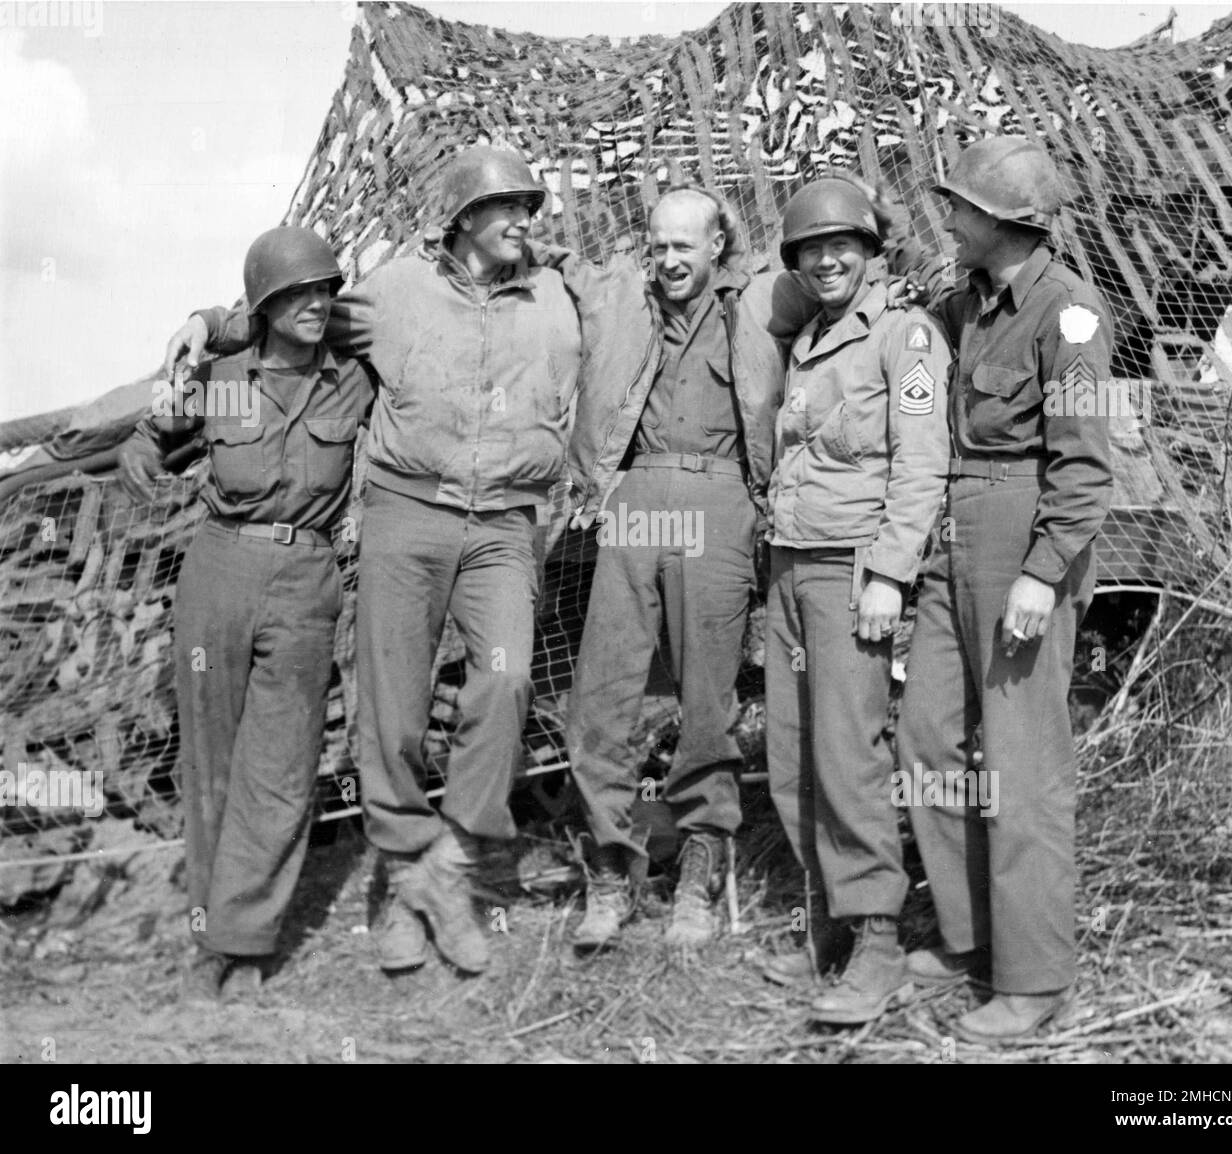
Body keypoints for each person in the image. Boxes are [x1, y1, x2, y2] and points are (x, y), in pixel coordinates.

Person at [162, 147, 587, 977]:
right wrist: (206, 321)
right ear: (461, 218)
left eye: (529, 208)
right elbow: (287, 316)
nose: (523, 222)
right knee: (390, 710)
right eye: (505, 207)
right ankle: (399, 875)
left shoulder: (559, 296)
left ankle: (449, 870)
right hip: (406, 514)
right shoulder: (393, 292)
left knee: (504, 681)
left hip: (503, 524)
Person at [895, 136, 1113, 1042]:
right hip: (956, 529)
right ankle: (970, 934)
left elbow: (1087, 466)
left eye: (961, 206)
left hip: (1025, 534)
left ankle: (1032, 976)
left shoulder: (1070, 317)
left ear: (1004, 221)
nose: (947, 216)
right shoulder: (967, 306)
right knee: (925, 736)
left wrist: (1040, 573)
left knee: (1021, 764)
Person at [120, 226, 374, 1000]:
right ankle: (209, 936)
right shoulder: (224, 378)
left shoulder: (353, 377)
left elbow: (381, 318)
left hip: (305, 574)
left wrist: (211, 315)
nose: (316, 303)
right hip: (219, 568)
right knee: (211, 756)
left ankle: (246, 939)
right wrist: (145, 462)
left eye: (324, 289)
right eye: (296, 293)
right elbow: (151, 439)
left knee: (284, 761)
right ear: (264, 304)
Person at [559, 185, 788, 950]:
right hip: (638, 493)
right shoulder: (626, 292)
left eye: (682, 247)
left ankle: (699, 868)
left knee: (707, 701)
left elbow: (858, 261)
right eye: (656, 246)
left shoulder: (764, 295)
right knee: (603, 695)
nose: (666, 261)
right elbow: (545, 262)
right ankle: (611, 870)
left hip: (721, 496)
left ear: (718, 245)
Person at [757, 177, 952, 1024]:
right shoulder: (807, 339)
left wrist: (888, 573)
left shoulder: (906, 339)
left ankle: (878, 939)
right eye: (809, 249)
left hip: (849, 569)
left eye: (843, 246)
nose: (826, 259)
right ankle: (829, 934)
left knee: (849, 754)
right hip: (791, 568)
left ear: (873, 253)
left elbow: (921, 463)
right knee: (792, 755)